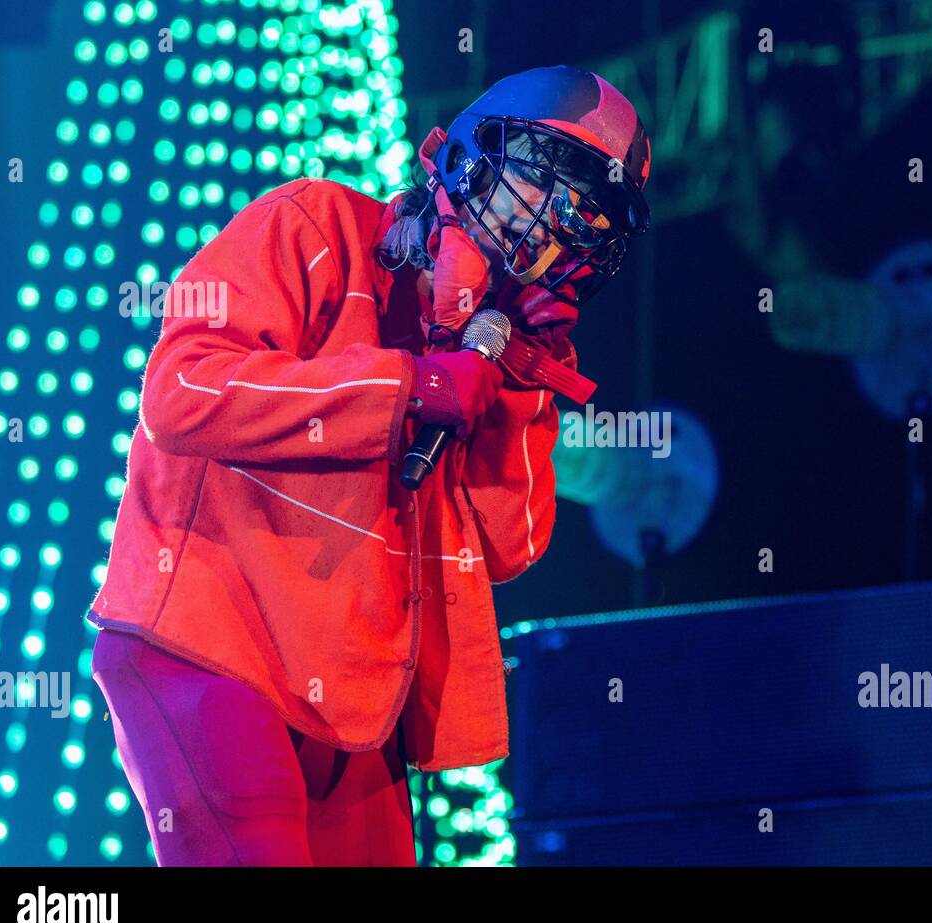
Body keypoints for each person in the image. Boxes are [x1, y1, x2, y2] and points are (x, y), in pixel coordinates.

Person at [88, 65, 652, 866]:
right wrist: (410, 387)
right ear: (474, 156)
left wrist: (519, 385)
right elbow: (182, 391)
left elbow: (509, 544)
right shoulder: (313, 224)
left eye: (580, 222)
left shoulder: (495, 346)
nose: (549, 232)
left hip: (353, 692)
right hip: (211, 645)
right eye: (542, 188)